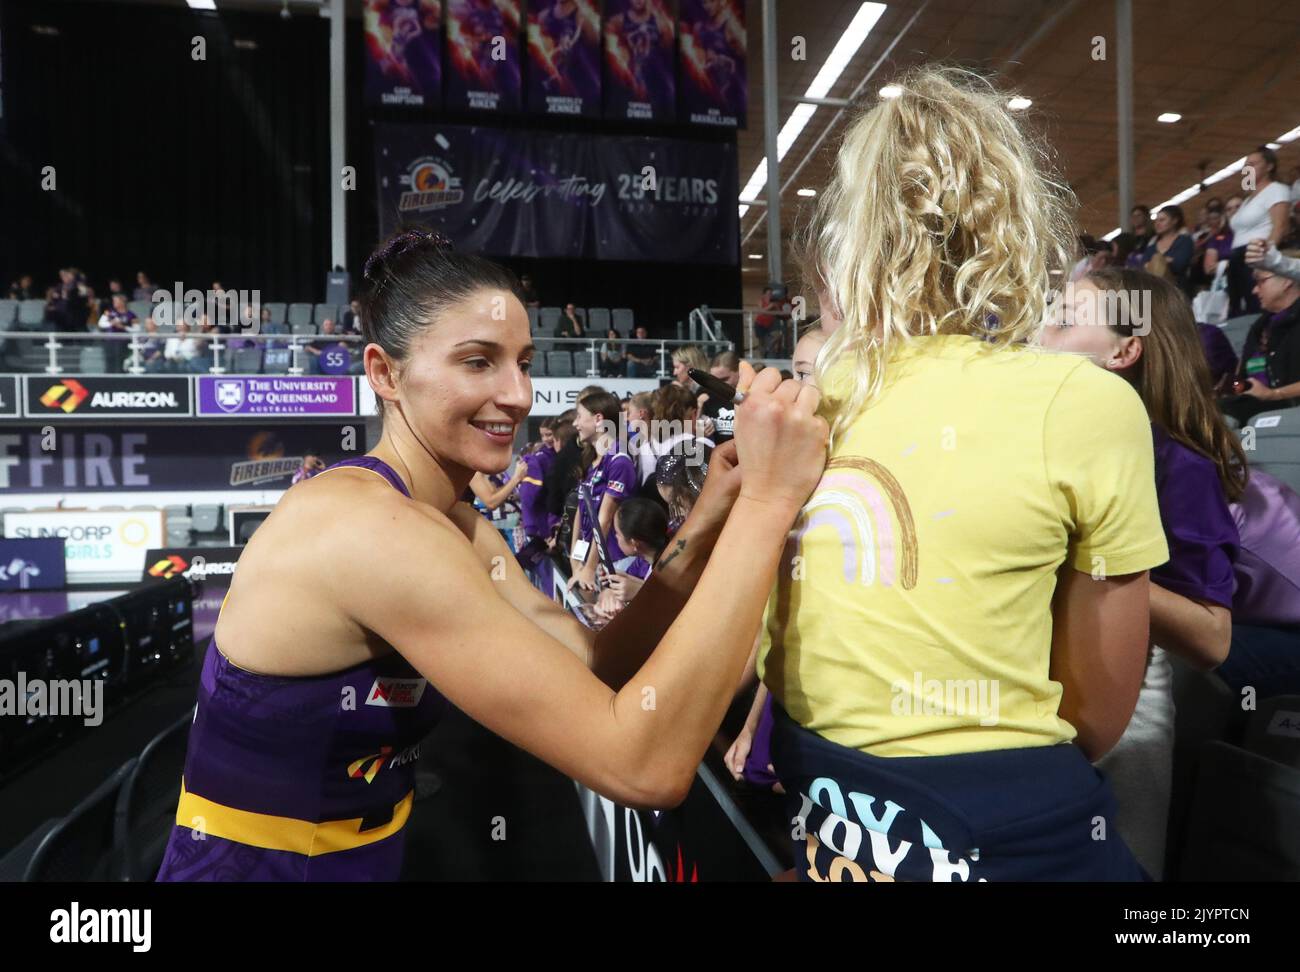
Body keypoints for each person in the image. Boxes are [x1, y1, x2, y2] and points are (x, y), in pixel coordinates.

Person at [155, 228, 828, 881]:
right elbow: (642, 768)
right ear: (385, 373)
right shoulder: (374, 533)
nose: (517, 393)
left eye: (525, 362)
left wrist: (711, 515)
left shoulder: (453, 521)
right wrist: (767, 506)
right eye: (477, 361)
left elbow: (599, 664)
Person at [766, 66, 1169, 883]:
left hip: (831, 823)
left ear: (858, 226)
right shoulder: (1083, 402)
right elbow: (1098, 711)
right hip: (1016, 827)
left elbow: (777, 651)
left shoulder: (794, 409)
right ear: (1014, 215)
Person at [1040, 269, 1244, 878]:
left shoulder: (1176, 461)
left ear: (1123, 352)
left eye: (1065, 319)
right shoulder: (1036, 438)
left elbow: (1211, 638)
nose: (1037, 331)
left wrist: (1094, 566)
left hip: (1124, 703)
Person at [1218, 251, 1300, 425]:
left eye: (1260, 281)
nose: (1254, 290)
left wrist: (1274, 394)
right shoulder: (1260, 326)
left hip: (1286, 409)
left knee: (1219, 414)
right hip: (1249, 408)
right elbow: (1241, 377)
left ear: (1287, 280)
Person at [568, 389, 638, 592]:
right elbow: (581, 512)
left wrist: (588, 569)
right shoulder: (591, 460)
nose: (575, 424)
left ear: (598, 419)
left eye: (579, 416)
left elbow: (605, 519)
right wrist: (575, 562)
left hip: (614, 562)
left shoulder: (619, 460)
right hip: (591, 559)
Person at [1227, 147, 1293, 316]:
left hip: (1256, 253)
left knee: (1257, 303)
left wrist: (1265, 259)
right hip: (1237, 257)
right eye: (1245, 165)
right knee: (1237, 305)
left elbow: (1280, 226)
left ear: (1269, 166)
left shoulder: (1276, 190)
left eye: (1253, 164)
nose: (1247, 169)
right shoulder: (1247, 199)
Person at [1135, 205, 1194, 294]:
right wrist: (1166, 260)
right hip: (1155, 292)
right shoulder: (1151, 247)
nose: (1157, 224)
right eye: (1156, 221)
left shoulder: (1184, 241)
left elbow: (1180, 264)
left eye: (1162, 220)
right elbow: (1143, 268)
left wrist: (1155, 262)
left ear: (1175, 220)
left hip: (1178, 291)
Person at [697, 350, 739, 443]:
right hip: (713, 454)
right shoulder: (704, 393)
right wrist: (700, 428)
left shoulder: (749, 396)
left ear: (738, 372)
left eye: (724, 379)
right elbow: (692, 431)